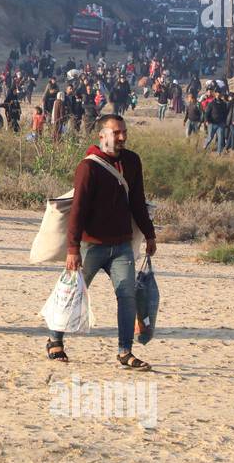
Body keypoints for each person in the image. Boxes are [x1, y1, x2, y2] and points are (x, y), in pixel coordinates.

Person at [45, 114, 156, 369]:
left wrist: (149, 234)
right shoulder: (89, 167)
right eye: (116, 133)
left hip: (121, 245)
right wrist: (73, 249)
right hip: (90, 245)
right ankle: (55, 340)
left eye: (124, 132)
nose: (122, 137)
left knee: (127, 295)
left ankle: (125, 352)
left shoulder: (132, 161)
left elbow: (138, 201)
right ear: (102, 135)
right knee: (72, 293)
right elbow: (78, 210)